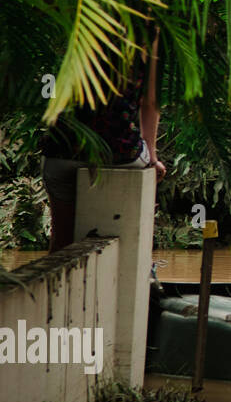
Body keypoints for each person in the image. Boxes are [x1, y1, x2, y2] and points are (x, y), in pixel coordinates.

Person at [40, 29, 165, 251]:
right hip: (120, 150)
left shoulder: (79, 15)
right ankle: (146, 268)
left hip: (63, 149)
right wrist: (153, 157)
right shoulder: (147, 31)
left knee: (61, 239)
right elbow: (150, 101)